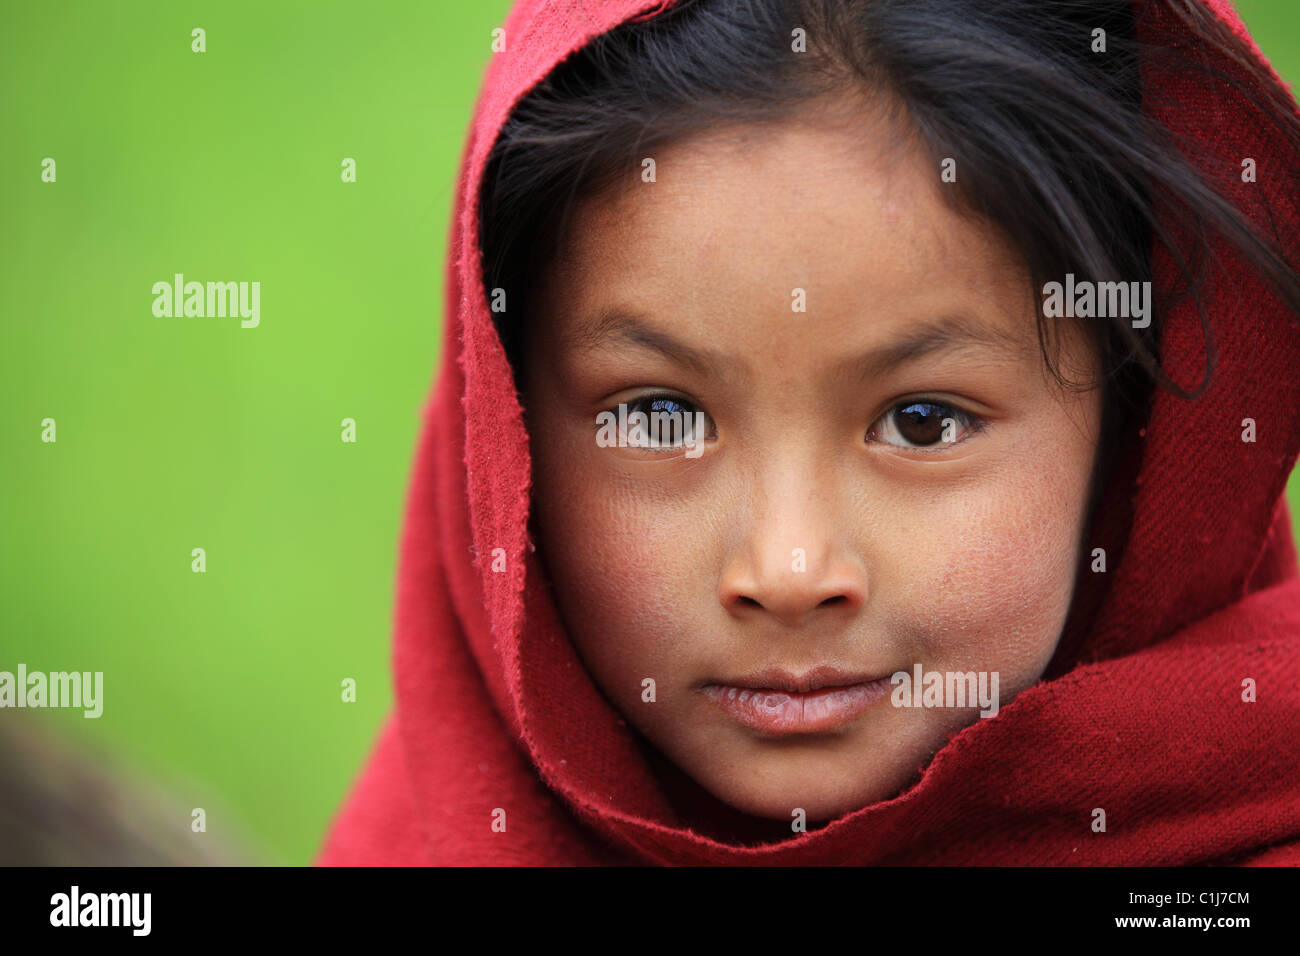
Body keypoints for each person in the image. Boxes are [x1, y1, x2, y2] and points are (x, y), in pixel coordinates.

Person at [318, 0, 1300, 864]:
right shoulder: (429, 836)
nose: (788, 570)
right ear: (506, 426)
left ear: (1133, 427)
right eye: (661, 415)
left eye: (921, 422)